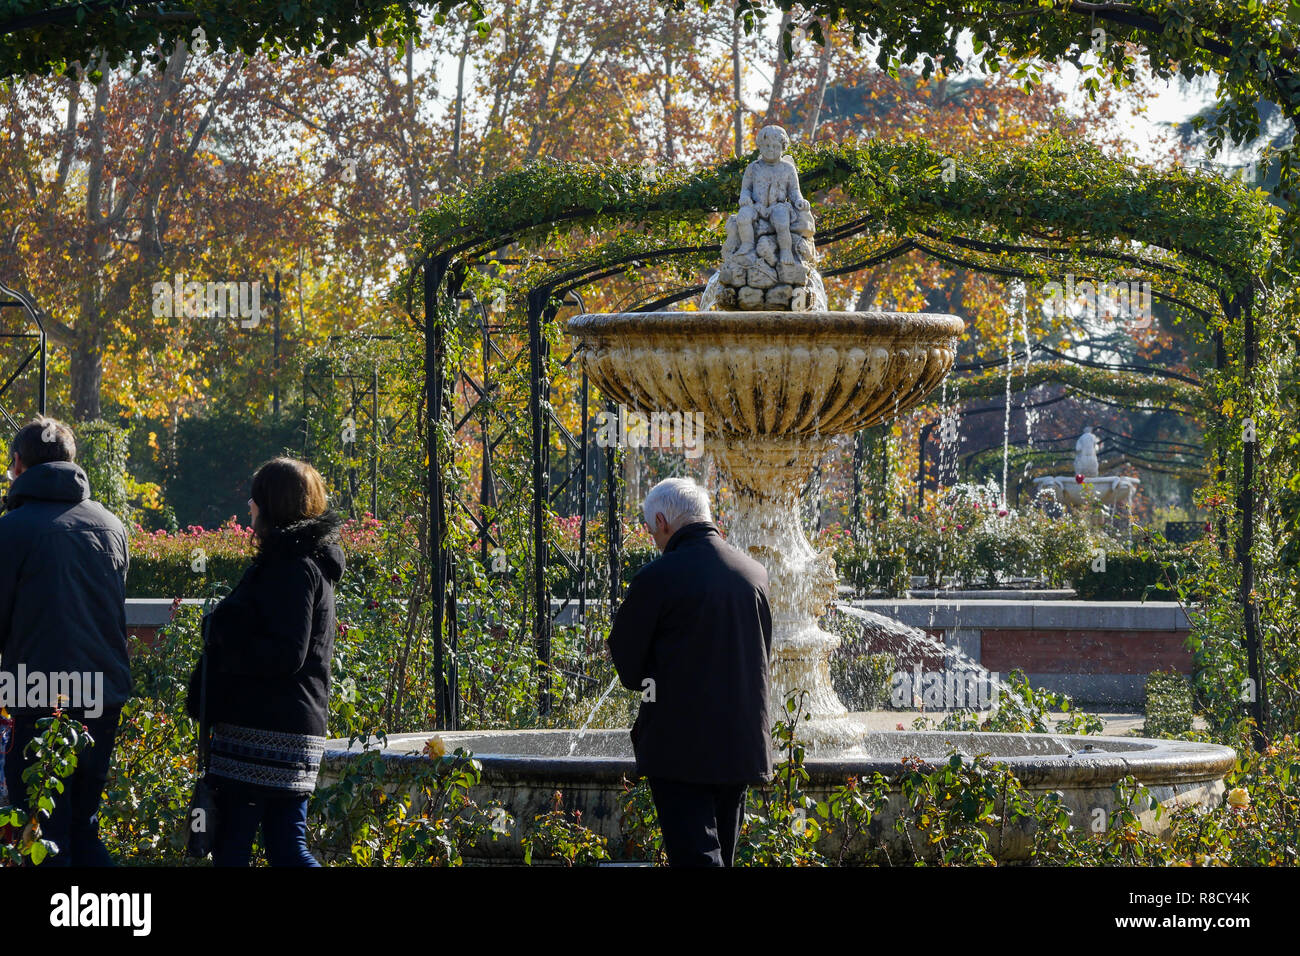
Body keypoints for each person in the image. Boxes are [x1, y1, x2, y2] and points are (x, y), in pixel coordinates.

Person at [607, 477, 773, 867]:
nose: (654, 541)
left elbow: (630, 671)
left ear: (663, 520)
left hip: (680, 748)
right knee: (721, 856)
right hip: (739, 743)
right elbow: (762, 656)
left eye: (651, 532)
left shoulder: (657, 578)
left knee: (696, 858)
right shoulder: (753, 574)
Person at [188, 457, 345, 867]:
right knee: (283, 846)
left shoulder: (289, 567)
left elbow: (285, 653)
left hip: (262, 735)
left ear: (272, 505)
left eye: (255, 499)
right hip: (293, 727)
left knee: (236, 849)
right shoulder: (310, 564)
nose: (249, 507)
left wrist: (223, 640)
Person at [0, 416, 131, 866]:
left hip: (37, 695)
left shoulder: (12, 530)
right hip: (103, 695)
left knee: (39, 827)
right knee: (83, 822)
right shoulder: (111, 525)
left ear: (17, 464)